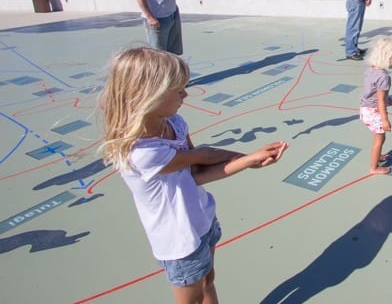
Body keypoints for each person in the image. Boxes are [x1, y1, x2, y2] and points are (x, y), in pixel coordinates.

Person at [98, 47, 288, 304]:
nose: (185, 94)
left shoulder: (174, 123)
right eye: (178, 90)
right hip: (179, 240)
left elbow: (197, 173)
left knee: (208, 281)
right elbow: (203, 156)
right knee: (191, 300)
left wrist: (249, 160)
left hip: (202, 219)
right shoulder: (142, 153)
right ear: (149, 96)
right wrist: (249, 157)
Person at [359, 37, 392, 175]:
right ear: (388, 58)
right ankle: (374, 167)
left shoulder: (370, 70)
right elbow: (380, 100)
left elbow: (372, 90)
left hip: (365, 109)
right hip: (374, 111)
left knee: (378, 137)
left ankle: (378, 156)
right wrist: (385, 119)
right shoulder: (384, 77)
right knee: (380, 138)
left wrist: (387, 97)